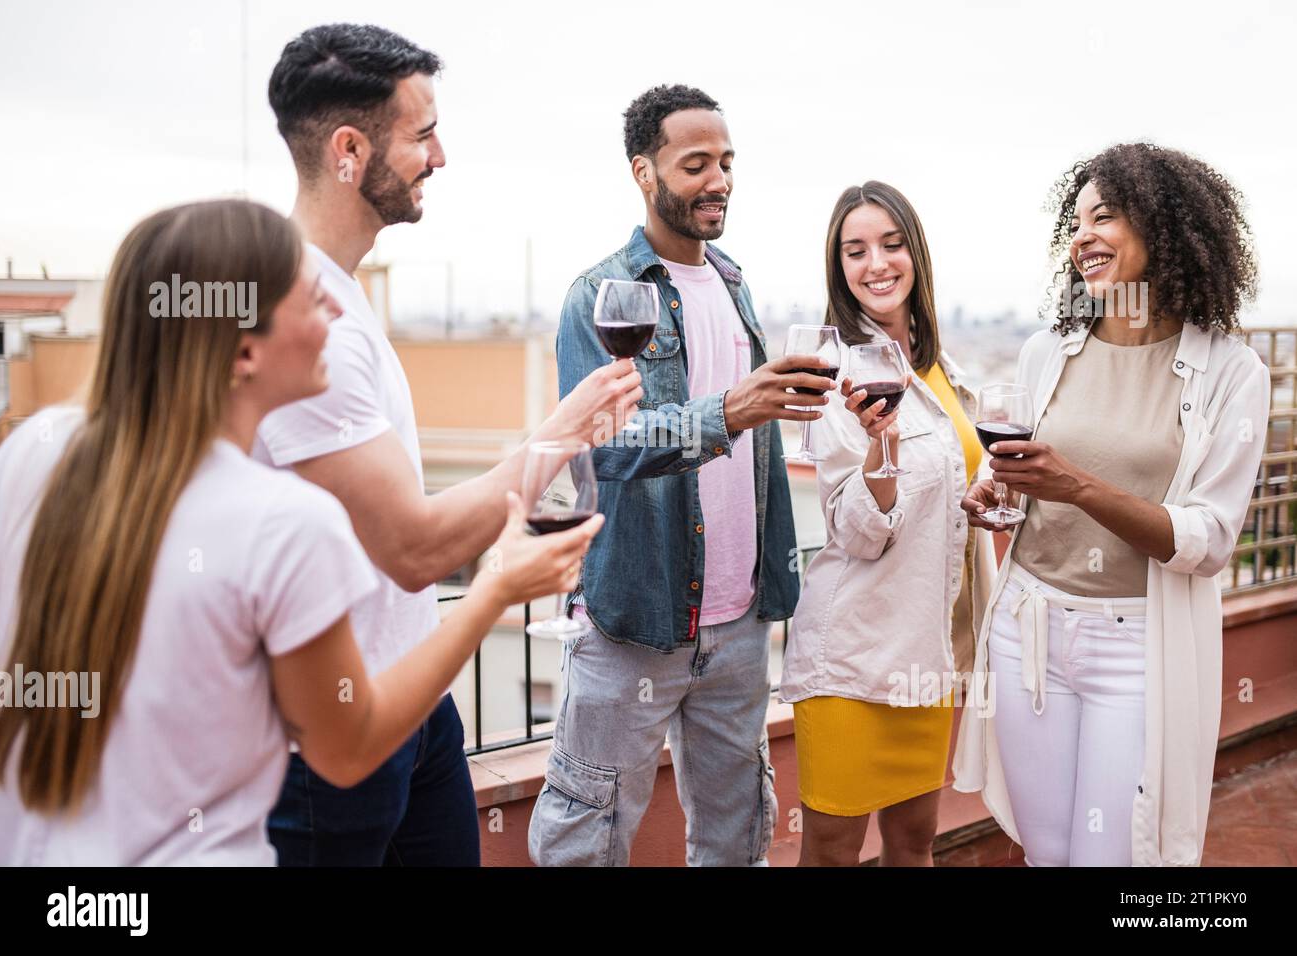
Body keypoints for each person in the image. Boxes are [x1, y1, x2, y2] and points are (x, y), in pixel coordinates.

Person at [0, 200, 602, 864]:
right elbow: (347, 748)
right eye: (313, 302)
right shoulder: (283, 522)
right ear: (245, 349)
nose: (339, 315)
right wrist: (496, 586)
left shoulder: (30, 452)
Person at [258, 23, 640, 866]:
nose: (441, 155)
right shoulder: (294, 319)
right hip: (330, 749)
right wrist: (564, 430)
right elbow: (413, 548)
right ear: (352, 150)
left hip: (414, 704)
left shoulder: (340, 297)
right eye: (423, 133)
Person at [953, 143, 1271, 866]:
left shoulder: (1230, 372)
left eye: (1105, 216)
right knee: (1046, 850)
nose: (1082, 235)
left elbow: (1210, 539)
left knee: (1109, 857)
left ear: (1167, 228)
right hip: (1027, 629)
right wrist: (998, 490)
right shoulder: (1047, 352)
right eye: (1075, 221)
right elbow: (1026, 478)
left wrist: (1078, 487)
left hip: (1136, 646)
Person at [528, 84, 819, 867]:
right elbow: (604, 440)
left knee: (736, 840)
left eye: (725, 162)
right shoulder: (599, 295)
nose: (719, 179)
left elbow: (753, 434)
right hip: (633, 622)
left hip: (739, 627)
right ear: (643, 172)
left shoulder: (733, 281)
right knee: (586, 837)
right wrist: (728, 409)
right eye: (696, 164)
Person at [781, 182, 994, 866]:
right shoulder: (834, 376)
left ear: (915, 254)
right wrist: (881, 450)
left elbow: (955, 479)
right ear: (838, 267)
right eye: (856, 250)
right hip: (849, 659)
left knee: (914, 847)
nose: (876, 263)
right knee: (832, 855)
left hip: (923, 659)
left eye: (891, 244)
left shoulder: (937, 368)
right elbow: (857, 533)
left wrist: (985, 488)